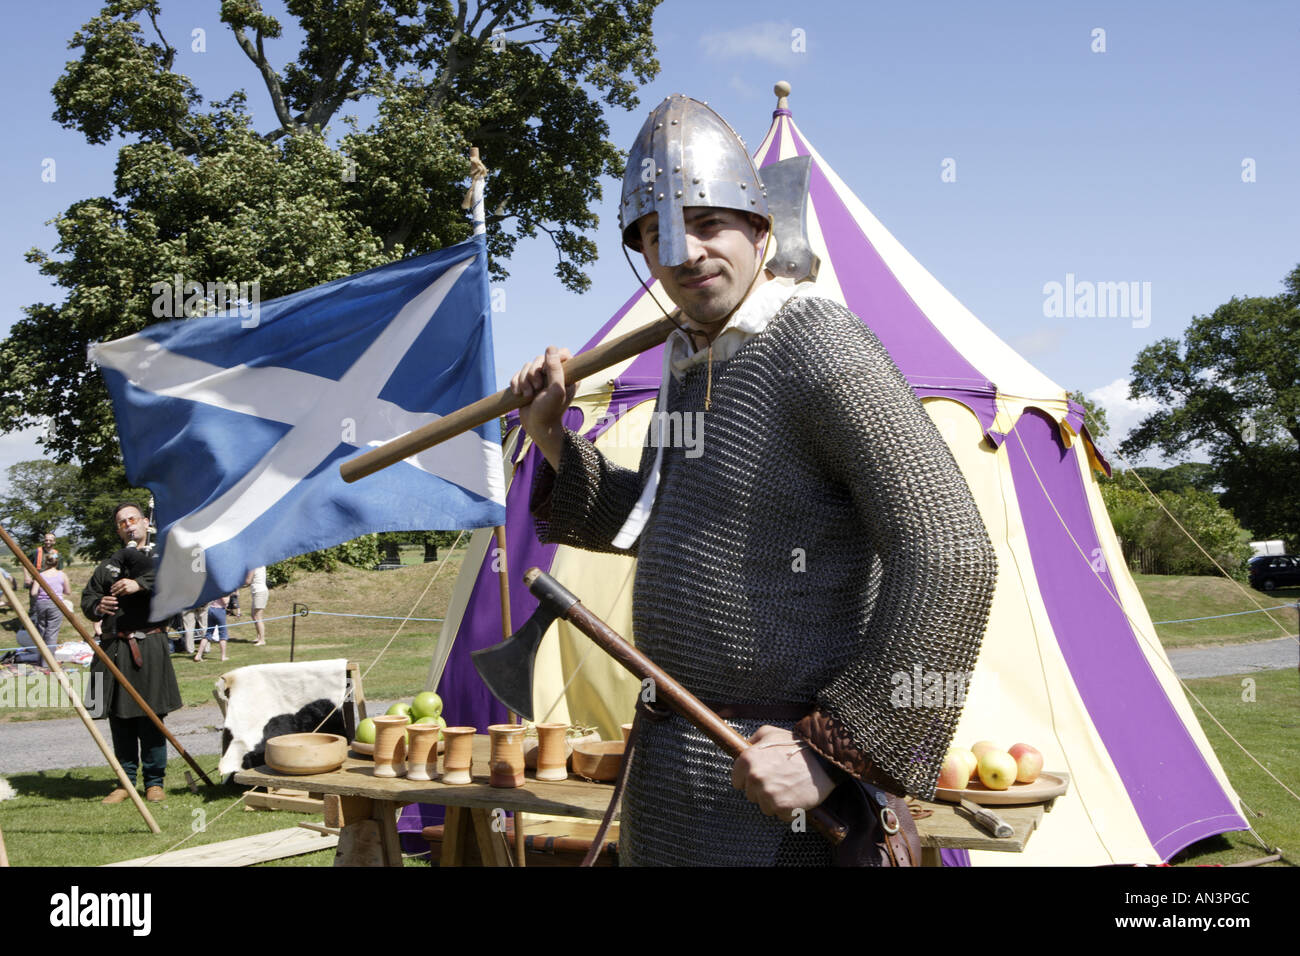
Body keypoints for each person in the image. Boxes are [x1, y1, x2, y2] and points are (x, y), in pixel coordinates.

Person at [510, 95, 998, 865]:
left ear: (762, 229)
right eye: (656, 235)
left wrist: (836, 752)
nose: (685, 253)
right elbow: (657, 524)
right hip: (678, 773)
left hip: (783, 791)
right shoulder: (692, 361)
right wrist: (551, 436)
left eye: (708, 223)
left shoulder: (816, 342)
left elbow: (949, 550)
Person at [81, 502, 182, 804]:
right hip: (114, 647)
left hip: (149, 645)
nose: (127, 525)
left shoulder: (163, 558)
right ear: (118, 529)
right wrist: (99, 606)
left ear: (144, 522)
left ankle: (154, 782)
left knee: (151, 715)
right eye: (122, 522)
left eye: (132, 519)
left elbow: (173, 586)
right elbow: (88, 597)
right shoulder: (109, 565)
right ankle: (124, 781)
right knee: (118, 716)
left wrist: (139, 584)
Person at [29, 554, 71, 652]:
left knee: (42, 630)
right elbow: (68, 591)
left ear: (45, 562)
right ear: (57, 562)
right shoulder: (62, 575)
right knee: (52, 632)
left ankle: (41, 656)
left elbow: (33, 592)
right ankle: (48, 661)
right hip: (56, 604)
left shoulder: (40, 575)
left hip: (41, 604)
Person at [193, 594, 230, 663]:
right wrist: (229, 596)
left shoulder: (215, 586)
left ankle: (198, 655)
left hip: (211, 609)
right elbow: (225, 601)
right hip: (219, 610)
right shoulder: (224, 588)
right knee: (223, 634)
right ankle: (223, 656)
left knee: (208, 633)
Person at [244, 566, 268, 645]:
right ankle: (259, 637)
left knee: (258, 616)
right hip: (257, 591)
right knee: (254, 615)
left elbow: (248, 581)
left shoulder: (253, 566)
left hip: (259, 592)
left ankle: (262, 640)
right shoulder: (260, 564)